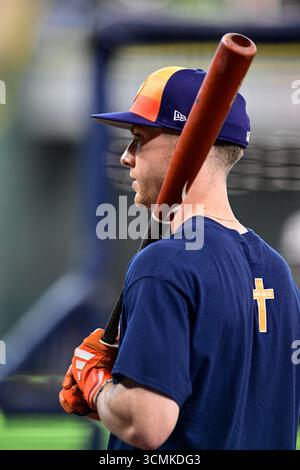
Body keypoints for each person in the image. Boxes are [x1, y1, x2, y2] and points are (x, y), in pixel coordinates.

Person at [59, 67, 300, 450]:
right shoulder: (278, 272)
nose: (125, 157)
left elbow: (147, 424)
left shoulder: (164, 264)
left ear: (191, 146)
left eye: (139, 139)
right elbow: (214, 409)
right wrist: (117, 393)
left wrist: (96, 382)